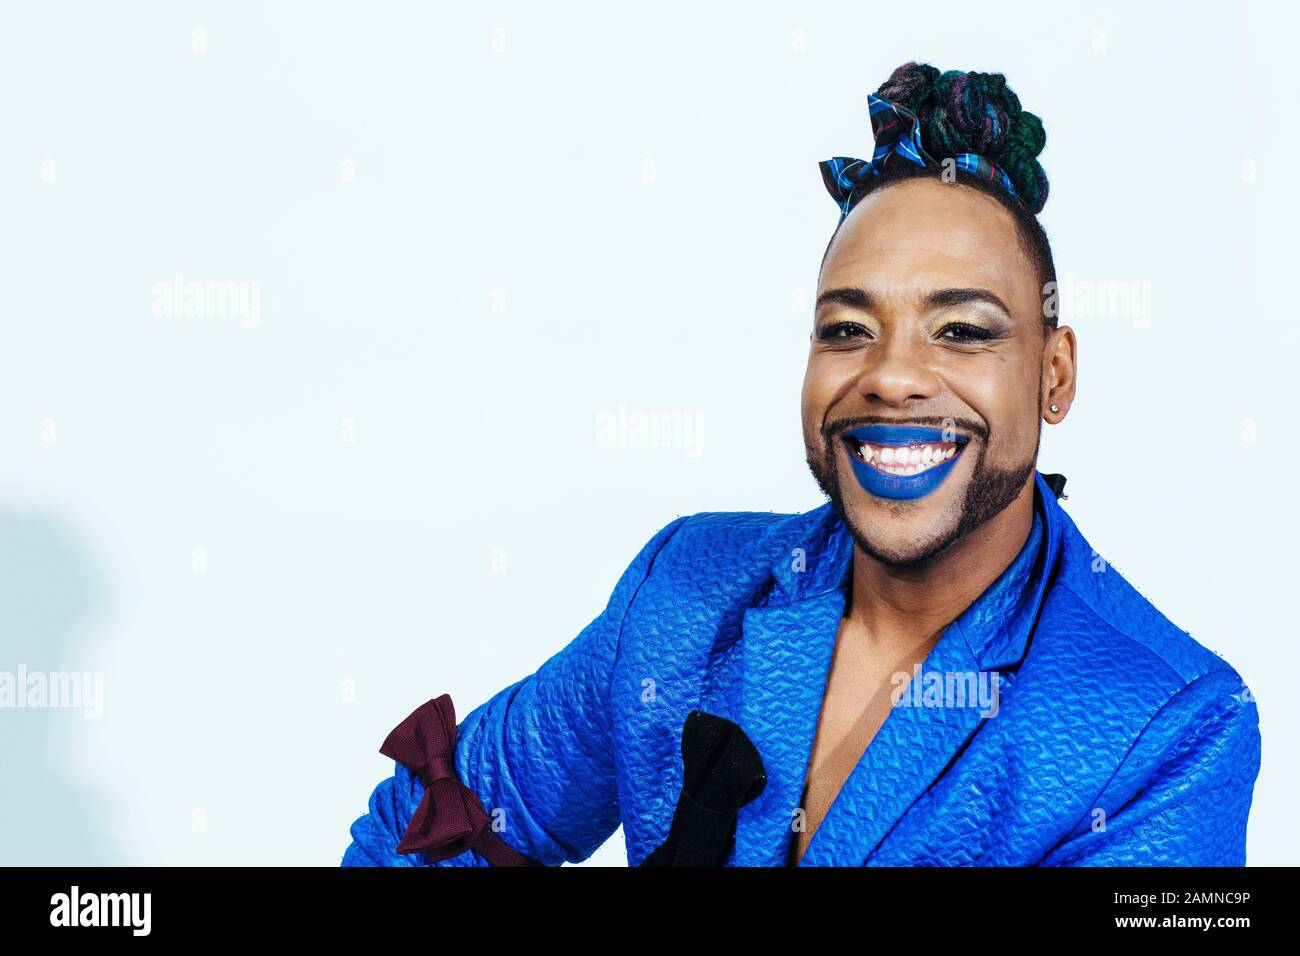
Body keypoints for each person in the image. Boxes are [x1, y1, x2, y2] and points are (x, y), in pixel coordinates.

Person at [341, 62, 1261, 867]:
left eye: (963, 330)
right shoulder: (684, 591)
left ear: (1054, 376)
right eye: (848, 329)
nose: (892, 376)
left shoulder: (1172, 728)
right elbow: (416, 835)